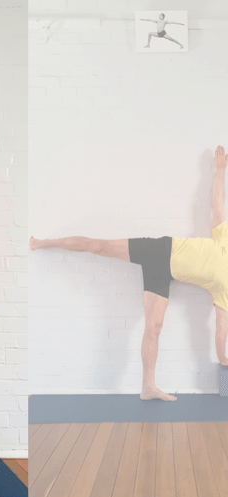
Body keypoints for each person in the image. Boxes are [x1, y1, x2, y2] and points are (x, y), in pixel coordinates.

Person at [30, 146, 228, 401]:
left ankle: (148, 387)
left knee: (153, 327)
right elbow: (218, 206)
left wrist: (223, 357)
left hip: (165, 275)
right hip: (160, 249)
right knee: (99, 246)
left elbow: (221, 325)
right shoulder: (224, 240)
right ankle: (43, 243)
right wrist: (219, 170)